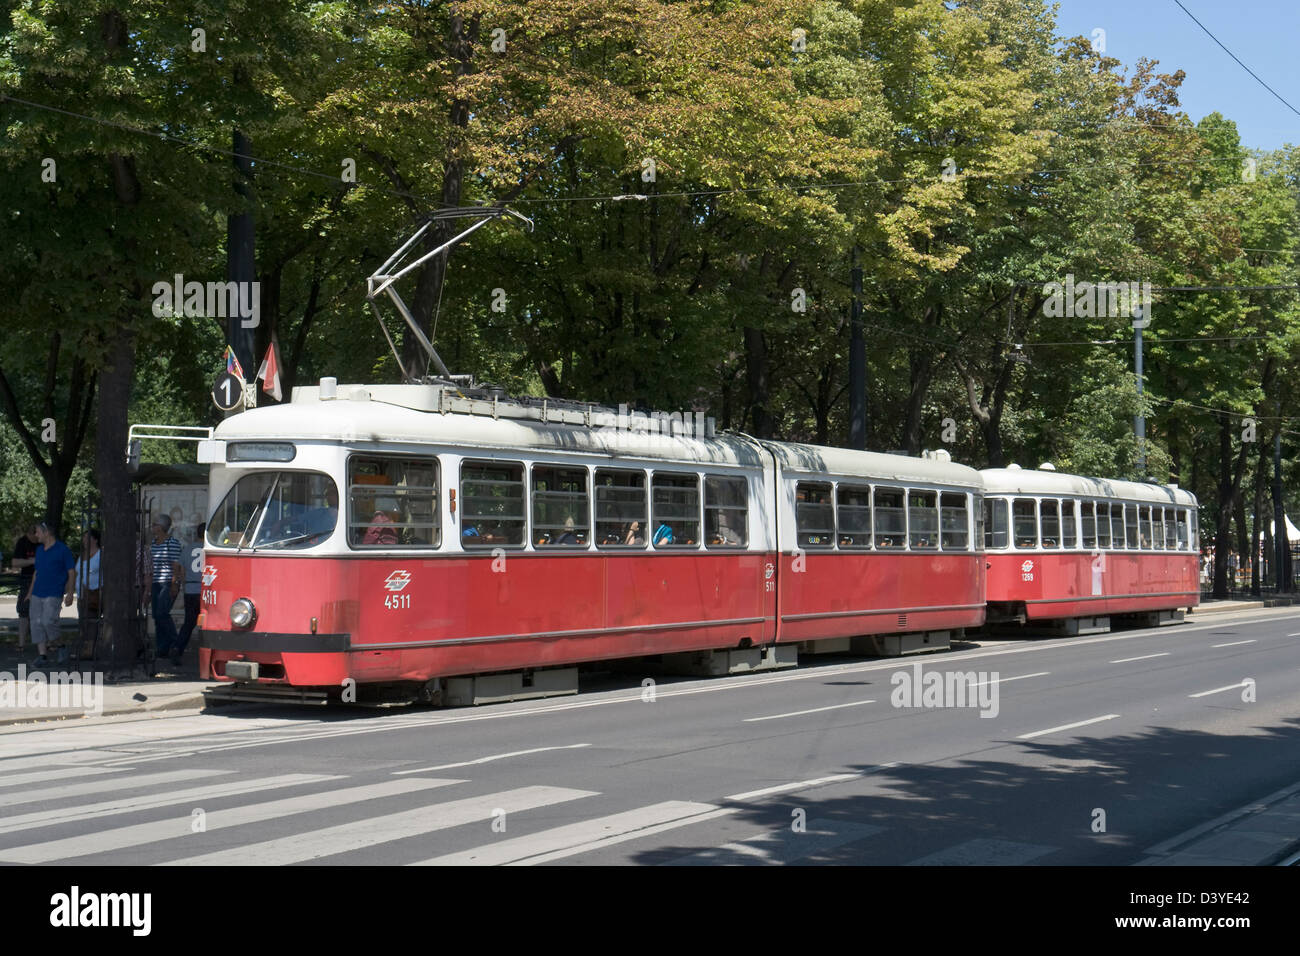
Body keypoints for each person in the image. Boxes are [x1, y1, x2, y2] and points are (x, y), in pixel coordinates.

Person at [26, 520, 76, 667]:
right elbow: (36, 572)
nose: (36, 535)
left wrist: (70, 593)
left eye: (38, 532)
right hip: (37, 593)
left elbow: (71, 572)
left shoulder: (63, 549)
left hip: (53, 593)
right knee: (36, 624)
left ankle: (61, 646)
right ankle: (42, 656)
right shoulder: (40, 550)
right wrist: (30, 592)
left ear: (46, 533)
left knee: (48, 622)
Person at [148, 514, 185, 665]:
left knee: (162, 613)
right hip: (156, 583)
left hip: (167, 583)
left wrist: (175, 584)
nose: (152, 527)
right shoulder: (153, 542)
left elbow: (176, 565)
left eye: (154, 524)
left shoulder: (173, 543)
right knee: (157, 616)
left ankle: (176, 644)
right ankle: (162, 648)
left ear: (162, 527)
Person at [176, 522, 205, 662]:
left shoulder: (188, 549)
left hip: (190, 589)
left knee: (189, 622)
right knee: (207, 623)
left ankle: (178, 649)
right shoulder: (209, 549)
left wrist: (183, 584)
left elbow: (180, 569)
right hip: (206, 591)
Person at [10, 524, 38, 651]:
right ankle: (21, 644)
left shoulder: (44, 542)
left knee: (43, 612)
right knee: (23, 611)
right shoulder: (23, 542)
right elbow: (15, 563)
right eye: (34, 535)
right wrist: (32, 561)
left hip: (43, 579)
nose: (37, 538)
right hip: (27, 579)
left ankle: (48, 643)